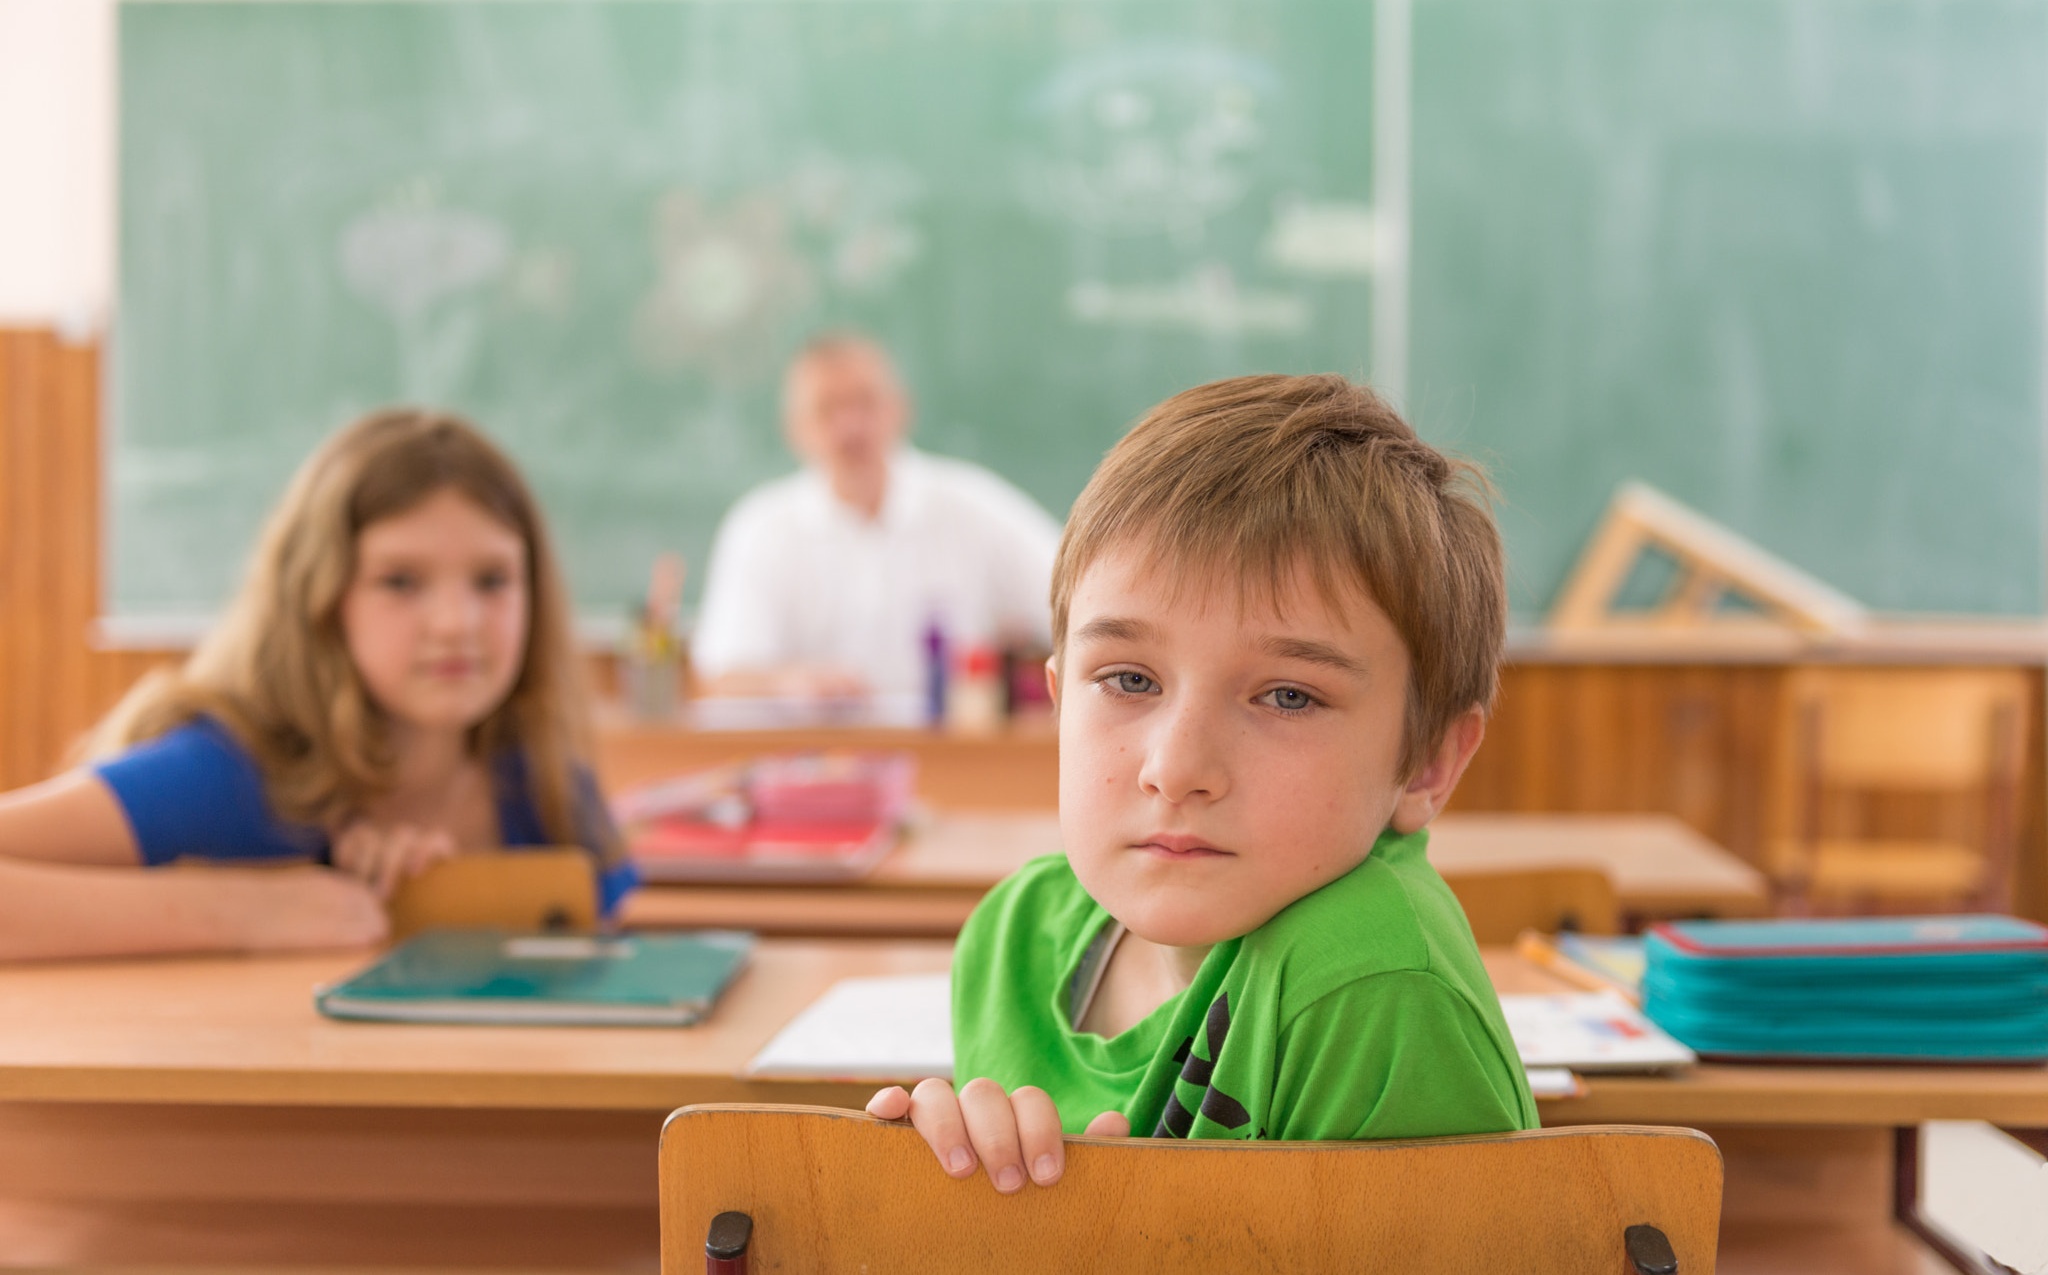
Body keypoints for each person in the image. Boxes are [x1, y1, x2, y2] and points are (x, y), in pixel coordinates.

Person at [868, 373, 1537, 1187]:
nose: (1177, 768)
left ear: (1426, 761)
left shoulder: (1368, 980)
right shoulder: (1014, 938)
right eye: (1128, 680)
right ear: (1056, 704)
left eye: (1288, 696)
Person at [0, 410, 636, 961]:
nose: (457, 623)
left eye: (492, 581)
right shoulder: (230, 772)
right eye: (400, 582)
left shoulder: (544, 784)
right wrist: (249, 911)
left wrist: (428, 903)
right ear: (323, 599)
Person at [692, 333, 1061, 703]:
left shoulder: (974, 507)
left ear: (900, 408)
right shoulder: (760, 527)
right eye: (827, 409)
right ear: (794, 429)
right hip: (811, 751)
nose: (850, 426)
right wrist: (792, 683)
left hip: (954, 750)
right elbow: (721, 672)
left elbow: (1076, 598)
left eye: (865, 403)